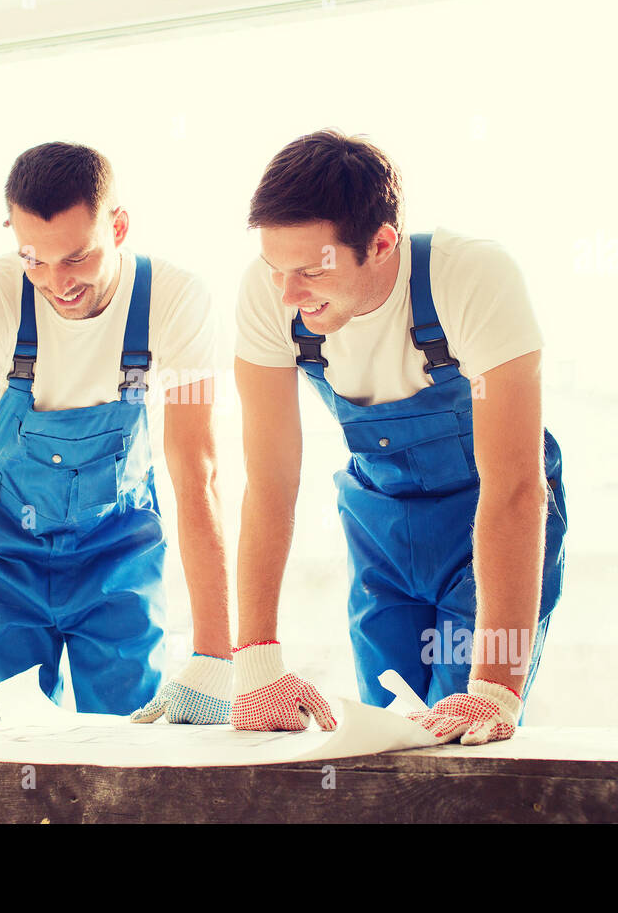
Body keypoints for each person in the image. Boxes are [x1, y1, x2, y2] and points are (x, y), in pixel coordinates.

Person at [231, 129, 567, 745]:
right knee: (385, 735)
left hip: (489, 525)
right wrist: (255, 667)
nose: (287, 293)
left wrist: (492, 689)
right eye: (274, 267)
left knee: (461, 739)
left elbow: (516, 487)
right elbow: (270, 483)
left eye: (308, 270)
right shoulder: (271, 295)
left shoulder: (472, 277)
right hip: (380, 527)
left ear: (382, 243)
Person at [0, 142, 232, 728]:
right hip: (3, 559)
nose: (57, 283)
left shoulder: (177, 301)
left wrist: (216, 658)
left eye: (77, 258)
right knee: (2, 747)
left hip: (118, 552)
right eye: (34, 259)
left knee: (134, 748)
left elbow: (196, 470)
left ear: (119, 226)